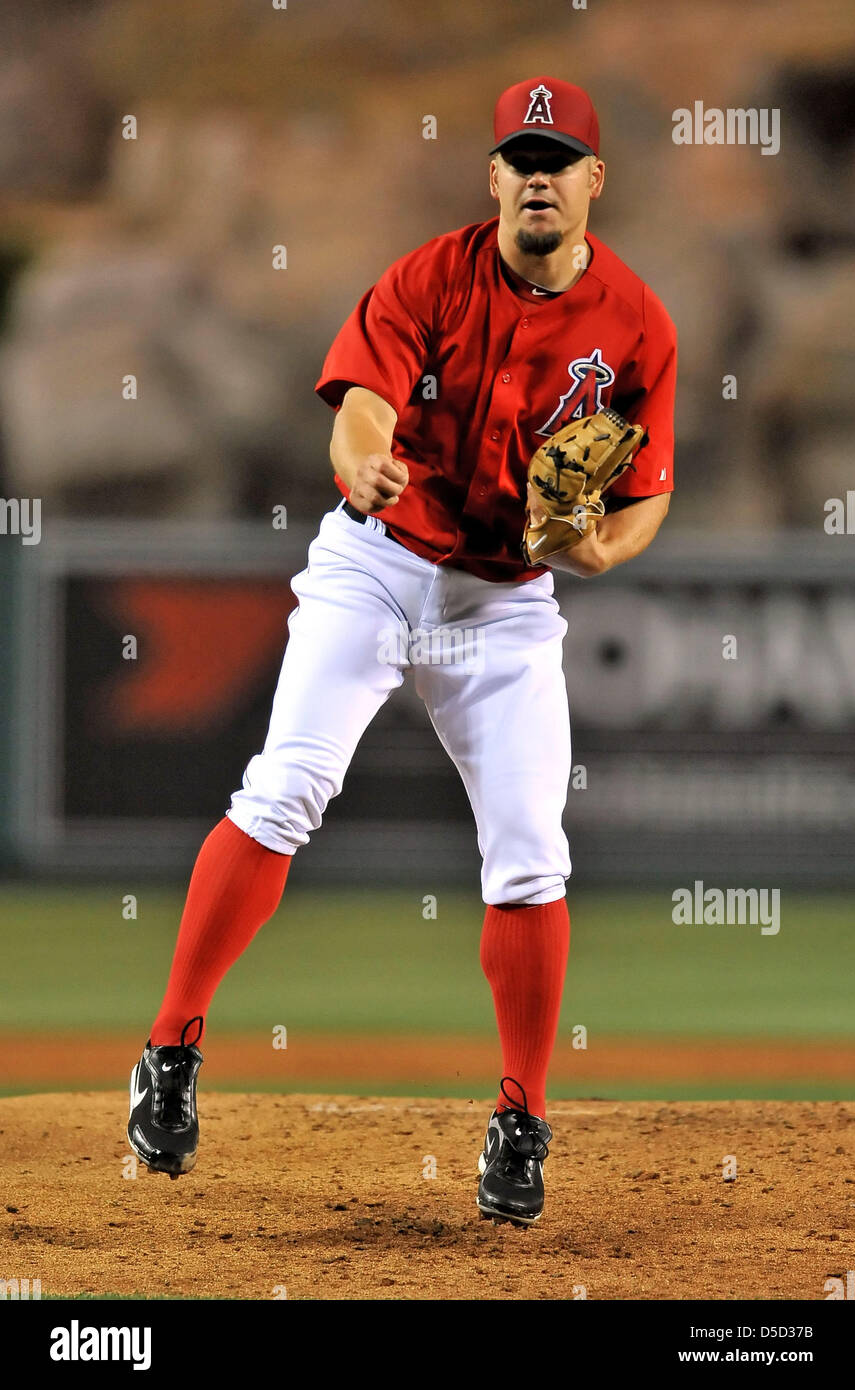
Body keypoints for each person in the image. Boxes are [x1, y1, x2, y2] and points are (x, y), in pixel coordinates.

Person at [127, 76, 677, 1226]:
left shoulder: (637, 326)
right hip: (377, 564)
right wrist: (361, 458)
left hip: (506, 600)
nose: (537, 173)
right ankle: (170, 1049)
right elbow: (358, 409)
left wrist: (597, 548)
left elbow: (642, 497)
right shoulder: (430, 275)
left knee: (529, 855)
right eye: (519, 156)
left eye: (558, 156)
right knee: (283, 790)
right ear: (491, 179)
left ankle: (519, 1115)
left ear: (591, 181)